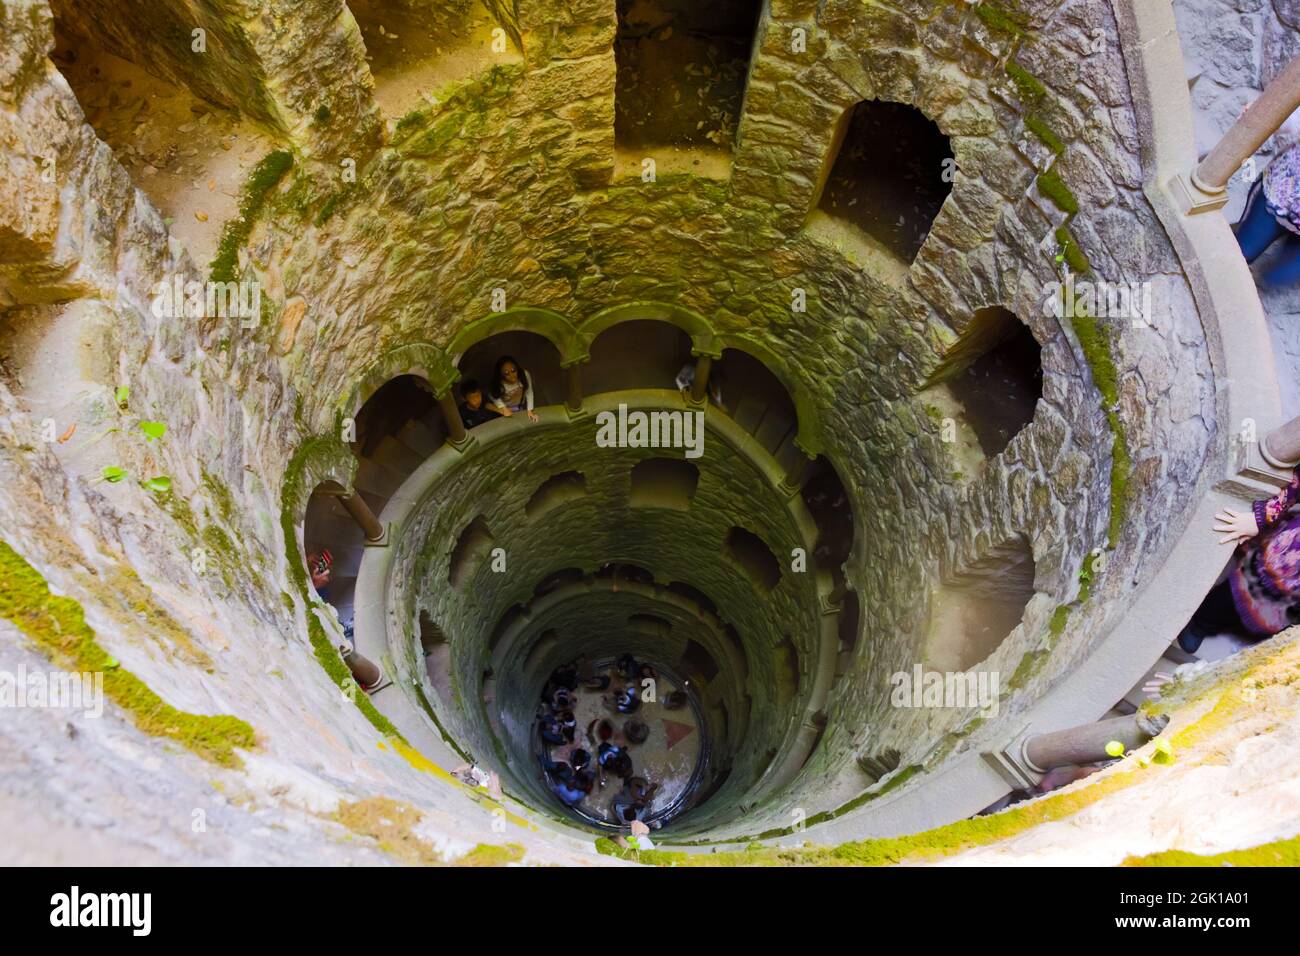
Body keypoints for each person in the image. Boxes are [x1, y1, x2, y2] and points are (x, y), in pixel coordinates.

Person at [1178, 466, 1300, 652]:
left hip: (1293, 598)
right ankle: (1203, 621)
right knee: (1236, 594)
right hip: (1280, 562)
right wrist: (1263, 517)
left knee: (1275, 619)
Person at [1235, 108, 1300, 287]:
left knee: (1279, 277)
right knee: (1241, 253)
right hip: (1278, 198)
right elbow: (1292, 120)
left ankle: (1260, 283)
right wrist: (1264, 114)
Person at [489, 355, 538, 422]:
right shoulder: (498, 383)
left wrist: (530, 410)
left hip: (519, 406)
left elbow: (529, 392)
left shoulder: (524, 375)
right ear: (501, 375)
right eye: (507, 373)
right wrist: (503, 408)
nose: (512, 375)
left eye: (513, 370)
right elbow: (493, 396)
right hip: (505, 409)